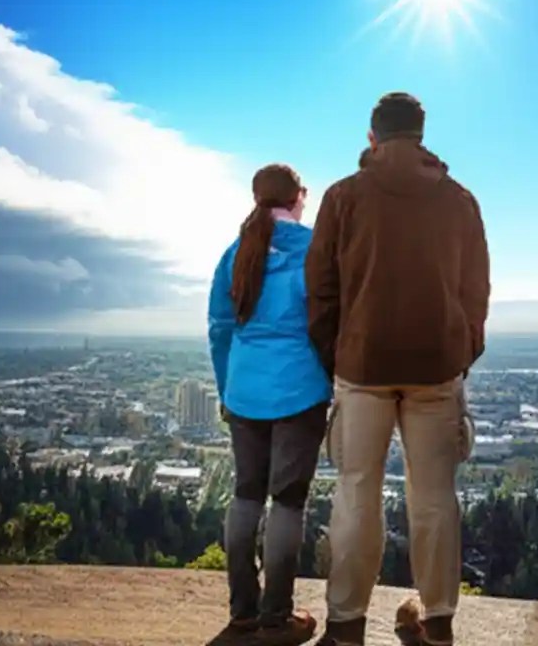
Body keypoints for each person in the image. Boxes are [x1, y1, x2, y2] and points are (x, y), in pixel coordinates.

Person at [305, 92, 489, 646]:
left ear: (372, 137)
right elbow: (475, 290)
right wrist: (460, 350)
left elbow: (320, 289)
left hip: (361, 367)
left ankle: (345, 624)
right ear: (421, 134)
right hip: (436, 367)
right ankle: (436, 621)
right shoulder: (459, 201)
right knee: (434, 496)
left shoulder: (343, 198)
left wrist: (336, 354)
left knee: (356, 491)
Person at [207, 164, 333, 646]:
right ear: (299, 197)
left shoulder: (235, 252)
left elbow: (219, 329)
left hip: (244, 390)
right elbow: (329, 319)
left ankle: (242, 611)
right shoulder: (315, 248)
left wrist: (225, 389)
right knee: (287, 500)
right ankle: (276, 618)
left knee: (245, 494)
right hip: (300, 390)